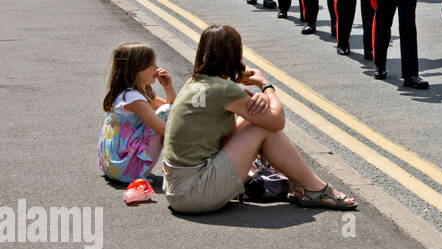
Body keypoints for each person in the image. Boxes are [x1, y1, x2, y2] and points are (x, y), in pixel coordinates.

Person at [160, 24, 356, 213]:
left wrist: (256, 103)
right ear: (234, 54)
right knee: (263, 128)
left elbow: (226, 133)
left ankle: (307, 187)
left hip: (178, 189)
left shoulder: (196, 82)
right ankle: (316, 189)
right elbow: (277, 121)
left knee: (256, 123)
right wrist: (266, 87)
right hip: (194, 193)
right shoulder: (223, 89)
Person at [100, 42, 174, 188]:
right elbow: (166, 125)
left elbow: (169, 107)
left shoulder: (128, 93)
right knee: (167, 114)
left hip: (113, 166)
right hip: (127, 170)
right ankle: (183, 166)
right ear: (135, 70)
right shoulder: (134, 99)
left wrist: (168, 87)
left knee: (167, 111)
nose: (156, 68)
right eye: (151, 65)